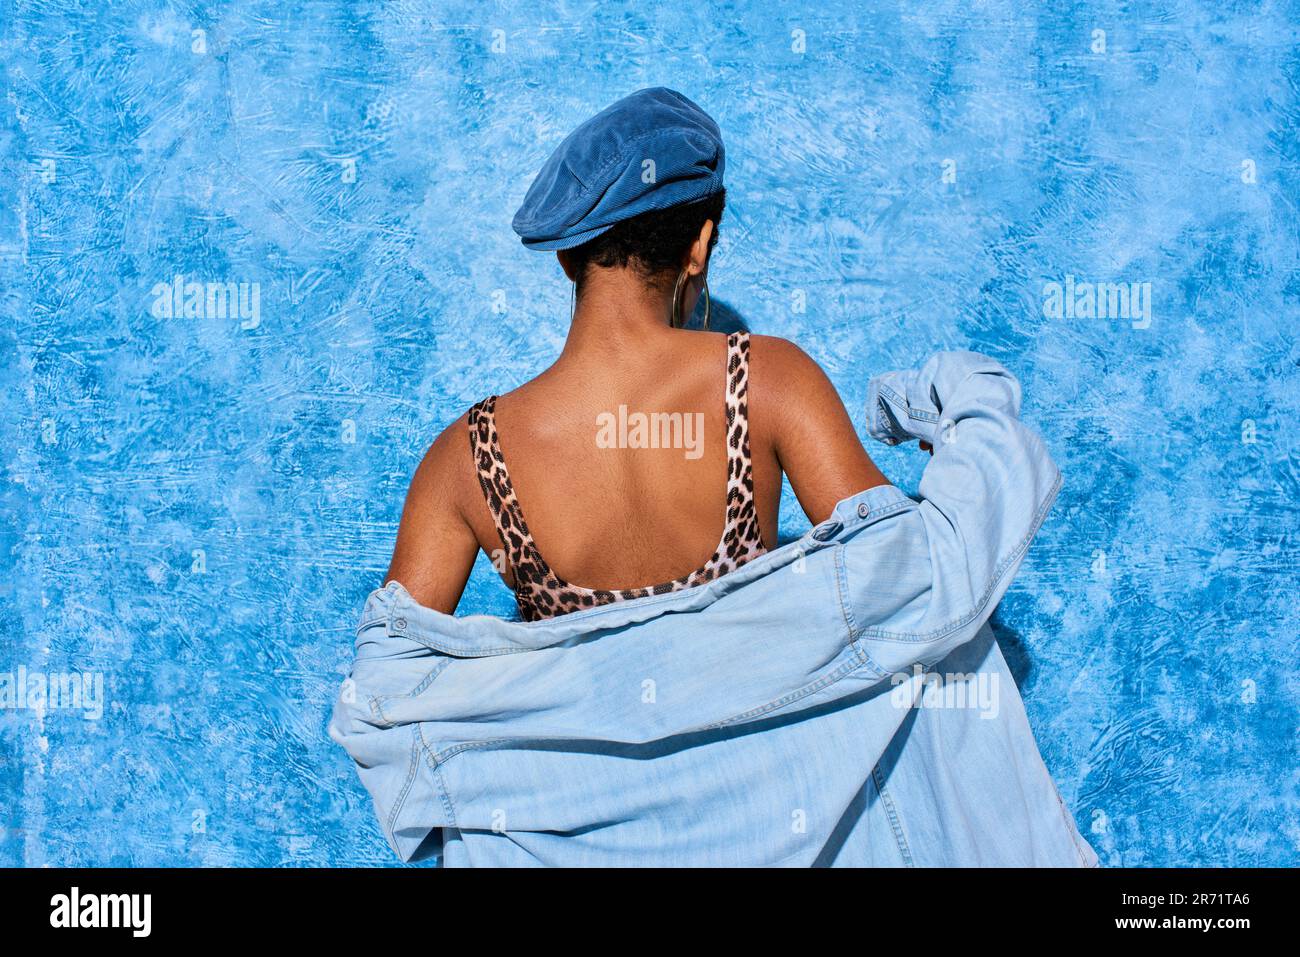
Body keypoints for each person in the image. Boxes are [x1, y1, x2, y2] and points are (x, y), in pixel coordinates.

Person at [387, 86, 901, 621]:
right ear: (699, 246)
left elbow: (388, 679)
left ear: (567, 255)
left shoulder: (466, 458)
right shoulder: (767, 383)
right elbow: (899, 582)